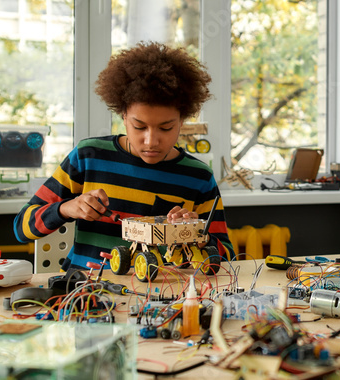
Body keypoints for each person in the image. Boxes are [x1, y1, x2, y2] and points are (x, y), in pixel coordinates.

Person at [13, 42, 235, 270]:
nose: (151, 141)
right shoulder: (88, 157)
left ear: (183, 120)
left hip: (159, 297)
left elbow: (226, 258)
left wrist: (197, 234)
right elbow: (22, 227)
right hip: (84, 291)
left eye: (166, 128)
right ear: (123, 115)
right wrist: (66, 208)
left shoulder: (198, 177)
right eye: (139, 126)